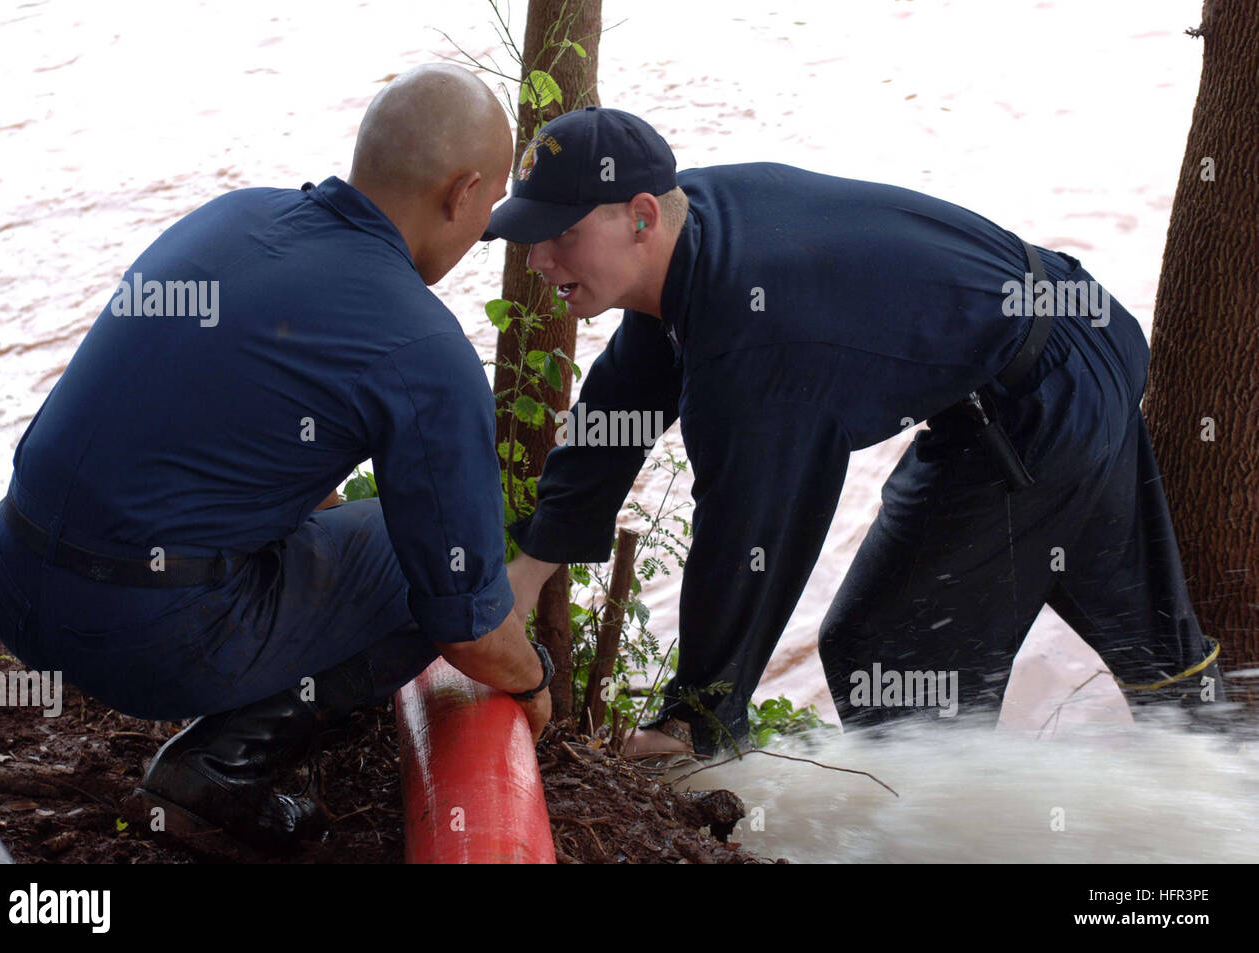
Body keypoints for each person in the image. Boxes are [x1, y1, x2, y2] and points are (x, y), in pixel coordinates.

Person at [494, 105, 1228, 758]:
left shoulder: (753, 341)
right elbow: (621, 401)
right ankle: (1230, 791)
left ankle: (957, 840)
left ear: (642, 216)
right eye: (531, 236)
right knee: (1160, 658)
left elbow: (752, 537)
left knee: (885, 657)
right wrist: (529, 572)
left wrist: (698, 720)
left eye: (561, 234)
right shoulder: (692, 230)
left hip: (1036, 406)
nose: (539, 260)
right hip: (1078, 329)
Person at [0, 64, 552, 852]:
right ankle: (220, 765)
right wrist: (534, 678)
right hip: (135, 640)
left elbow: (197, 414)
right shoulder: (422, 344)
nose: (482, 234)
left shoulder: (234, 216)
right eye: (487, 213)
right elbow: (467, 620)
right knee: (415, 554)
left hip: (6, 575)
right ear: (462, 191)